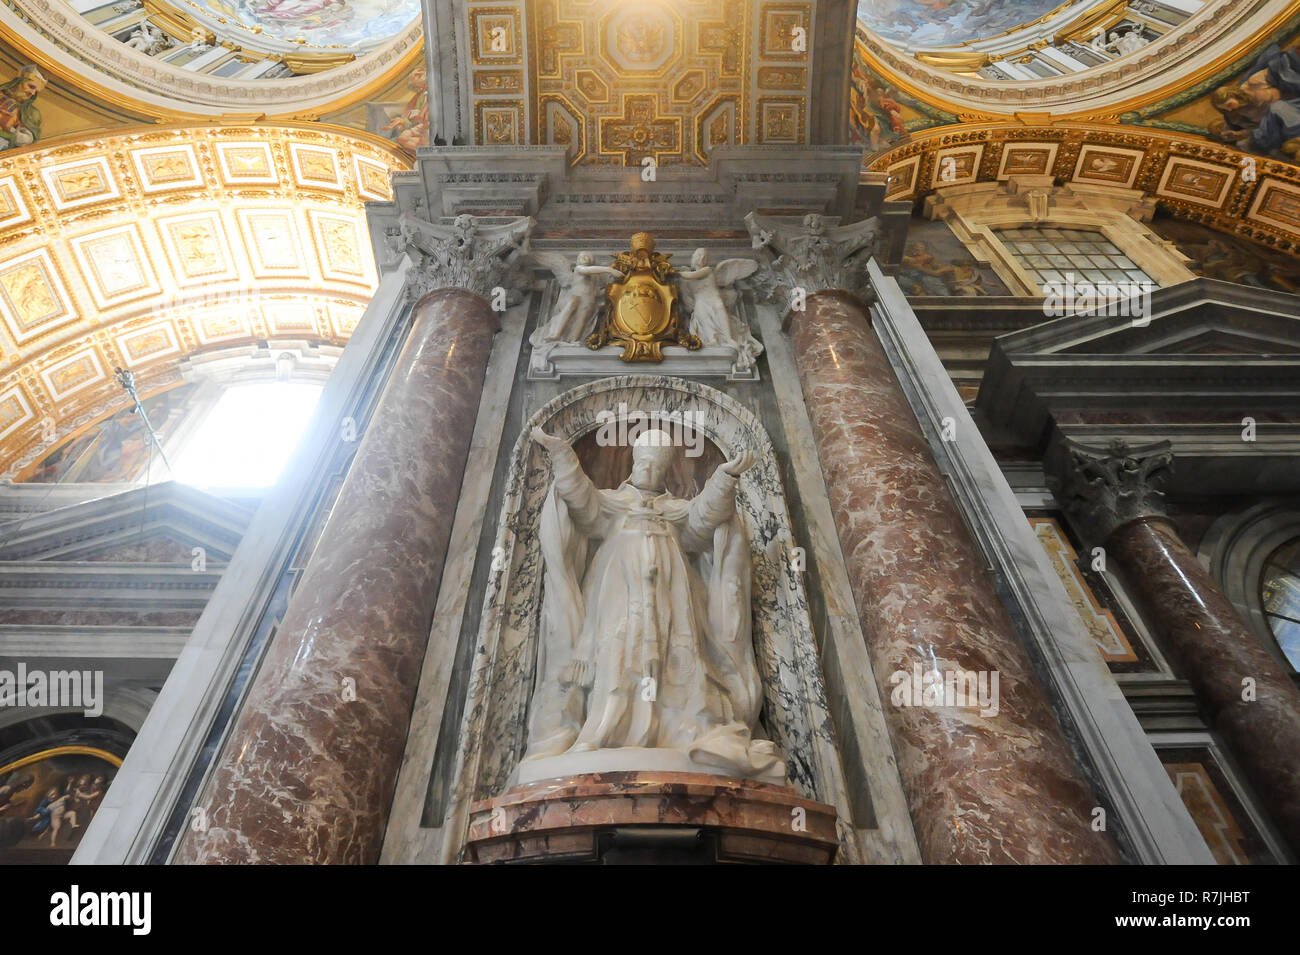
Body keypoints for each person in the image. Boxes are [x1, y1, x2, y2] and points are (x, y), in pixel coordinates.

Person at [524, 427, 785, 782]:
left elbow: (703, 520)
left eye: (656, 466)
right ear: (633, 463)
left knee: (679, 663)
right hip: (619, 603)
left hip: (673, 605)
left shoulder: (674, 511)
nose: (648, 471)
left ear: (666, 471)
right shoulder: (613, 504)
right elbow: (582, 501)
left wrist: (725, 478)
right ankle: (601, 733)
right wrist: (563, 457)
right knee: (617, 661)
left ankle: (680, 732)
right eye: (644, 463)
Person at [0, 65, 44, 152]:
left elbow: (26, 140)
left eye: (36, 92)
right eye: (31, 87)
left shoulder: (31, 113)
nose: (32, 93)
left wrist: (8, 128)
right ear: (19, 82)